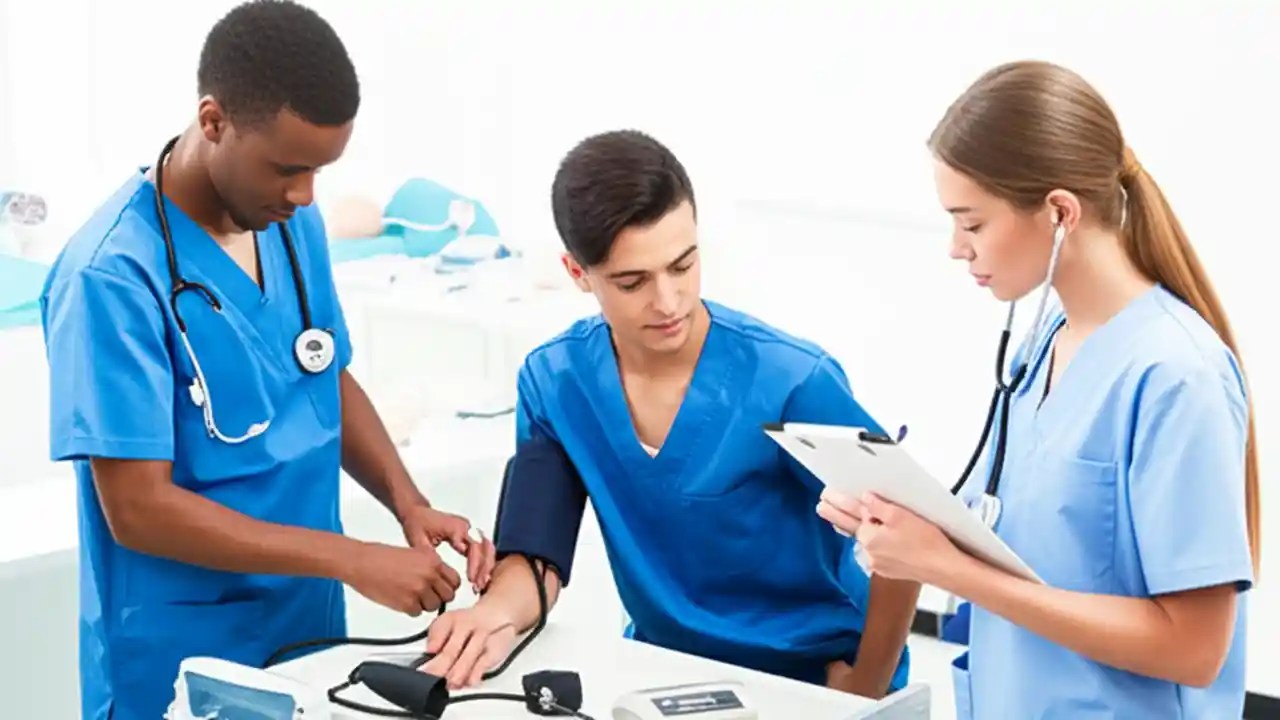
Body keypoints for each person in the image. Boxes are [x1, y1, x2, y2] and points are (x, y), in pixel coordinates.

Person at [39, 3, 494, 718]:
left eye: (320, 169)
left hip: (306, 632)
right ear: (214, 121)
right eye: (287, 167)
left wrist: (408, 505)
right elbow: (137, 509)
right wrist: (351, 557)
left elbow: (321, 372)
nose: (306, 194)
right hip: (178, 656)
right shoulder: (110, 277)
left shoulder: (287, 221)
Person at [817, 60, 1260, 719]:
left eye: (971, 223)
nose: (956, 248)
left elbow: (1193, 648)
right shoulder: (1045, 341)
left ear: (1059, 212)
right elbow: (1031, 538)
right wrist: (898, 516)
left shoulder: (1175, 375)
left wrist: (947, 570)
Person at [420, 129, 920, 698]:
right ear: (577, 272)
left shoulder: (792, 380)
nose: (668, 301)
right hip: (664, 679)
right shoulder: (556, 381)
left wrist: (864, 686)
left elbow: (909, 531)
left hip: (810, 682)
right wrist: (496, 618)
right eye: (632, 282)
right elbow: (536, 555)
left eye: (682, 266)